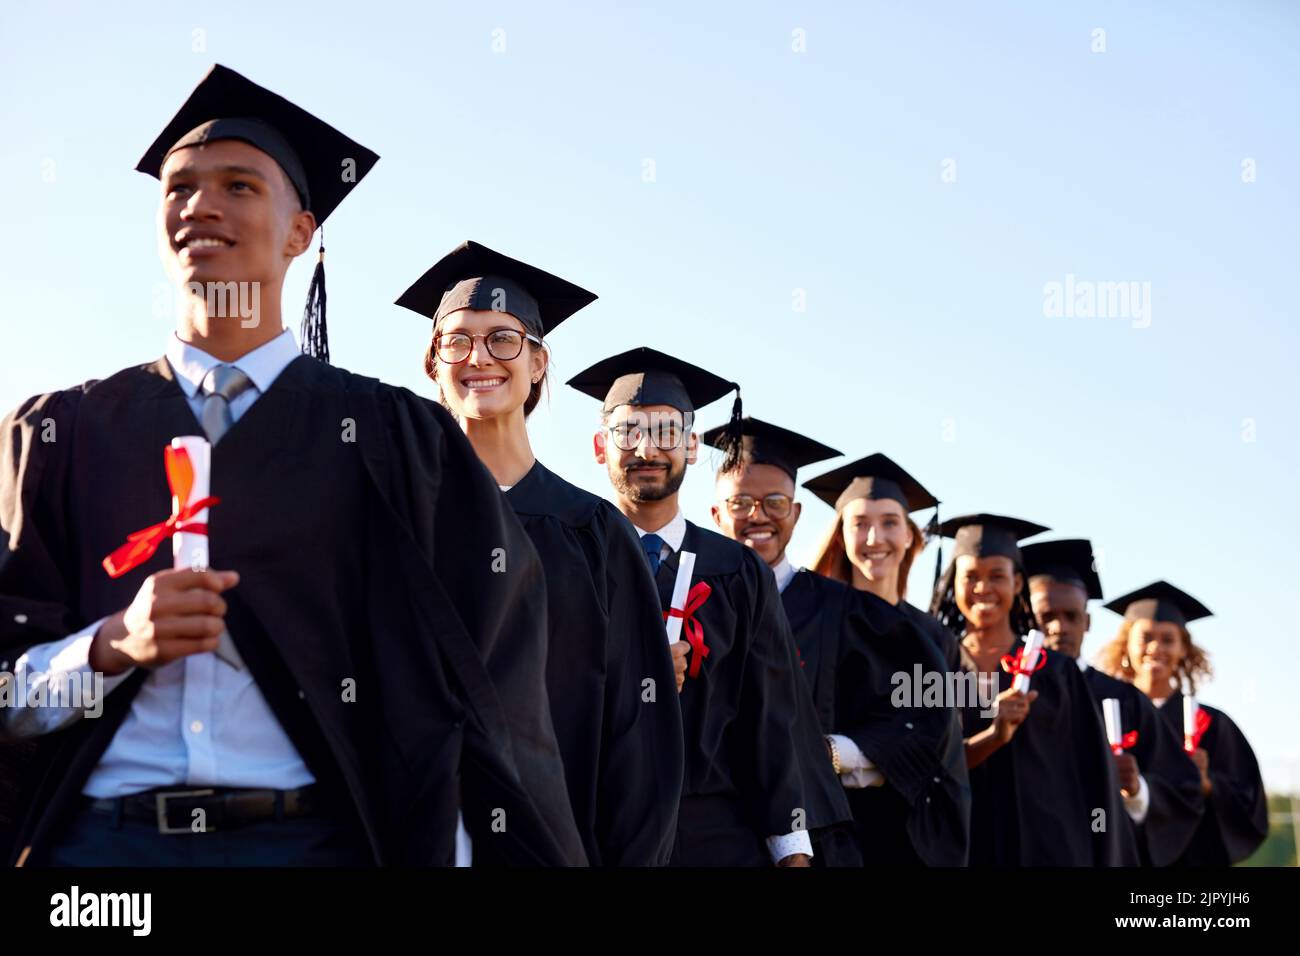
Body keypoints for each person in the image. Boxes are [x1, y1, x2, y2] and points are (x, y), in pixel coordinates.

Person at [0, 65, 584, 867]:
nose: (200, 206)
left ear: (300, 230)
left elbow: (484, 687)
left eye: (239, 186)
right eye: (179, 189)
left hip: (315, 844)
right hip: (100, 854)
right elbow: (5, 695)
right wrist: (107, 645)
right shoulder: (61, 437)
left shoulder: (397, 440)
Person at [398, 240, 683, 865]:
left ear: (538, 362)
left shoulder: (593, 534)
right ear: (432, 364)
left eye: (503, 338)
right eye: (458, 340)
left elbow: (637, 738)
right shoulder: (392, 518)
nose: (479, 357)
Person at [568, 349, 814, 866]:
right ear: (599, 446)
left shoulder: (739, 571)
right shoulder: (567, 557)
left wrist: (792, 851)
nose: (646, 448)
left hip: (714, 833)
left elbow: (769, 722)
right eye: (627, 431)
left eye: (666, 432)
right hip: (590, 829)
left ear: (693, 445)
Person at [712, 430, 967, 865]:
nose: (758, 516)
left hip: (819, 844)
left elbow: (923, 721)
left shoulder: (851, 615)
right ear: (717, 514)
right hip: (707, 835)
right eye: (741, 504)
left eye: (774, 502)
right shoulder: (691, 600)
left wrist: (832, 752)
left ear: (795, 513)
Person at [931, 514, 1127, 865]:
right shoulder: (936, 667)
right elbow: (925, 765)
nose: (983, 588)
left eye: (997, 576)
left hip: (1051, 852)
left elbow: (1094, 777)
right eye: (970, 577)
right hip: (961, 849)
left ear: (1018, 582)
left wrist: (1100, 849)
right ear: (953, 584)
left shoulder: (1056, 671)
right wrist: (994, 735)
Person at [1023, 540, 1203, 866]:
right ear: (1026, 618)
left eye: (1071, 616)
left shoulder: (1124, 699)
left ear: (1087, 623)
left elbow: (1183, 792)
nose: (1058, 628)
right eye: (1046, 616)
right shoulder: (1007, 692)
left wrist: (1137, 790)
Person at [1096, 581, 1268, 866]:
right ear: (1126, 646)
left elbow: (1251, 807)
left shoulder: (1212, 724)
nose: (1156, 648)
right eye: (1146, 637)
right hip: (1123, 854)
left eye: (1167, 639)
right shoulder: (1104, 715)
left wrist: (1209, 785)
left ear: (1183, 649)